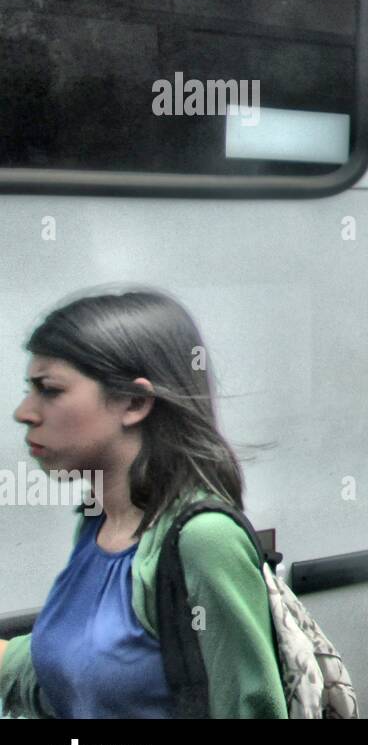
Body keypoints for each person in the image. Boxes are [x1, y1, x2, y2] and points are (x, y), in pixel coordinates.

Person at [0, 289, 287, 718]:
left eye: (49, 390)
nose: (25, 412)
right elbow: (80, 671)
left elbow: (248, 708)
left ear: (134, 402)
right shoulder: (98, 522)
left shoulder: (203, 540)